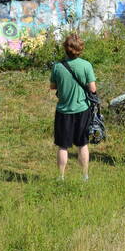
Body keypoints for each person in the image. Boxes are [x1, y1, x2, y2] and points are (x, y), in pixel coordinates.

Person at [49, 34, 97, 180]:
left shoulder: (57, 67)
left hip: (63, 110)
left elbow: (52, 86)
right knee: (83, 144)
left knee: (63, 146)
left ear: (65, 48)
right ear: (80, 49)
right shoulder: (86, 65)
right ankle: (84, 175)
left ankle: (61, 176)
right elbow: (93, 88)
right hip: (82, 109)